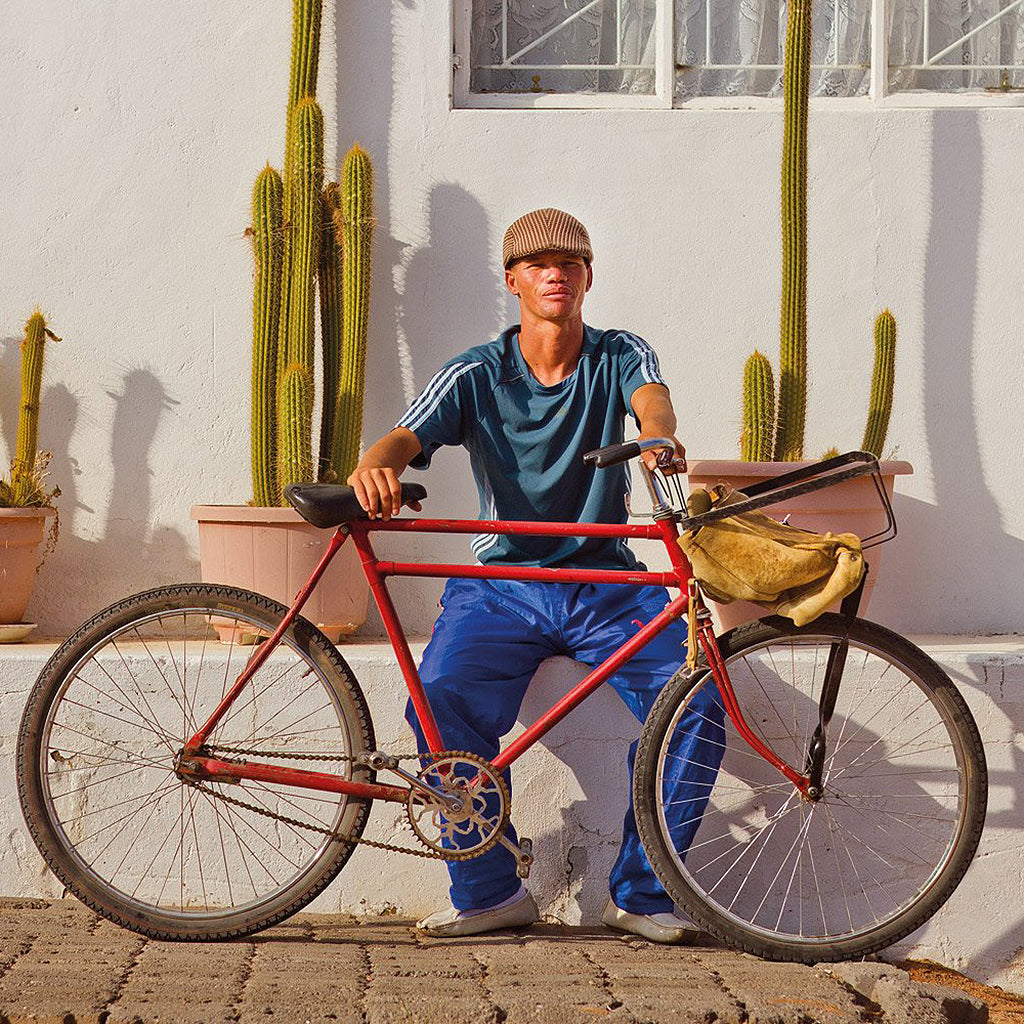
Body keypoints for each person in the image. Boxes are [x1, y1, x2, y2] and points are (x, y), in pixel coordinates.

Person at [347, 208, 724, 942]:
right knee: (439, 704)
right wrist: (375, 465)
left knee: (697, 702)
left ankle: (644, 895)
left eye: (572, 261)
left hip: (608, 585)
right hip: (502, 587)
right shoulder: (478, 370)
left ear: (588, 277)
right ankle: (488, 893)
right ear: (513, 279)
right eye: (539, 262)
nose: (556, 272)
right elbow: (407, 432)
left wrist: (657, 438)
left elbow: (652, 398)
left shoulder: (618, 354)